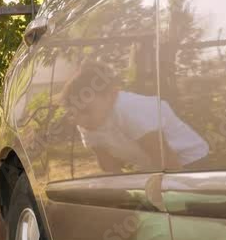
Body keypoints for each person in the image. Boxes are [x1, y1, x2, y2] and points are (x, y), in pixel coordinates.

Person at [60, 61, 210, 172]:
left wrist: (178, 193)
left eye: (86, 111)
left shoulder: (129, 109)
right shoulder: (86, 124)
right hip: (151, 165)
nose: (80, 120)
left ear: (111, 95)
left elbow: (167, 159)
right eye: (74, 113)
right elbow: (108, 166)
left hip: (189, 160)